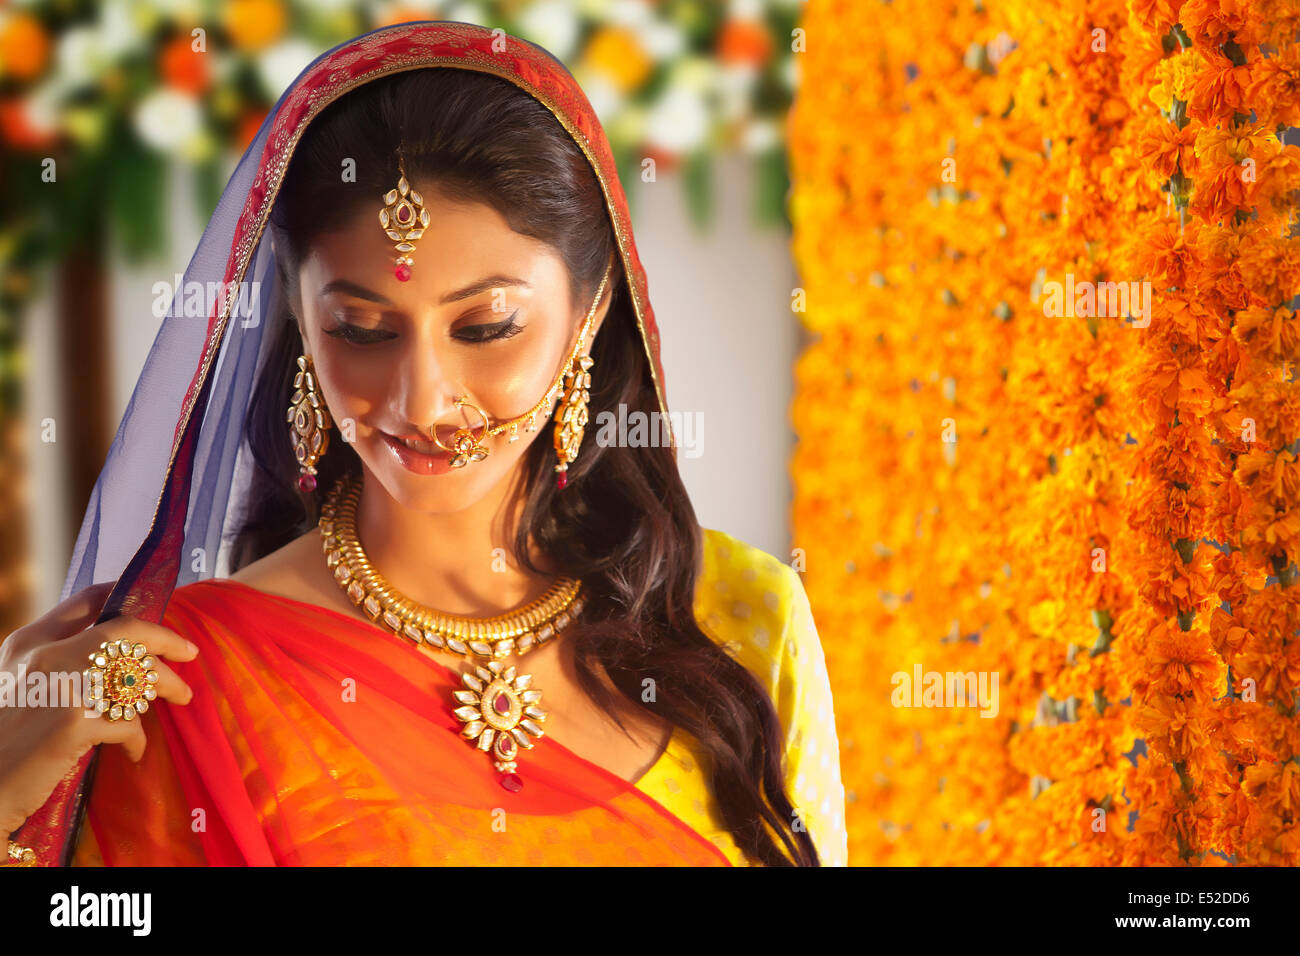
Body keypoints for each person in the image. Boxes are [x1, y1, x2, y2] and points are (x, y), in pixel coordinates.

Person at [0, 20, 846, 867]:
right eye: (362, 330)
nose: (422, 400)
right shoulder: (193, 675)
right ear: (300, 320)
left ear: (590, 312)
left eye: (486, 327)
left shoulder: (739, 621)